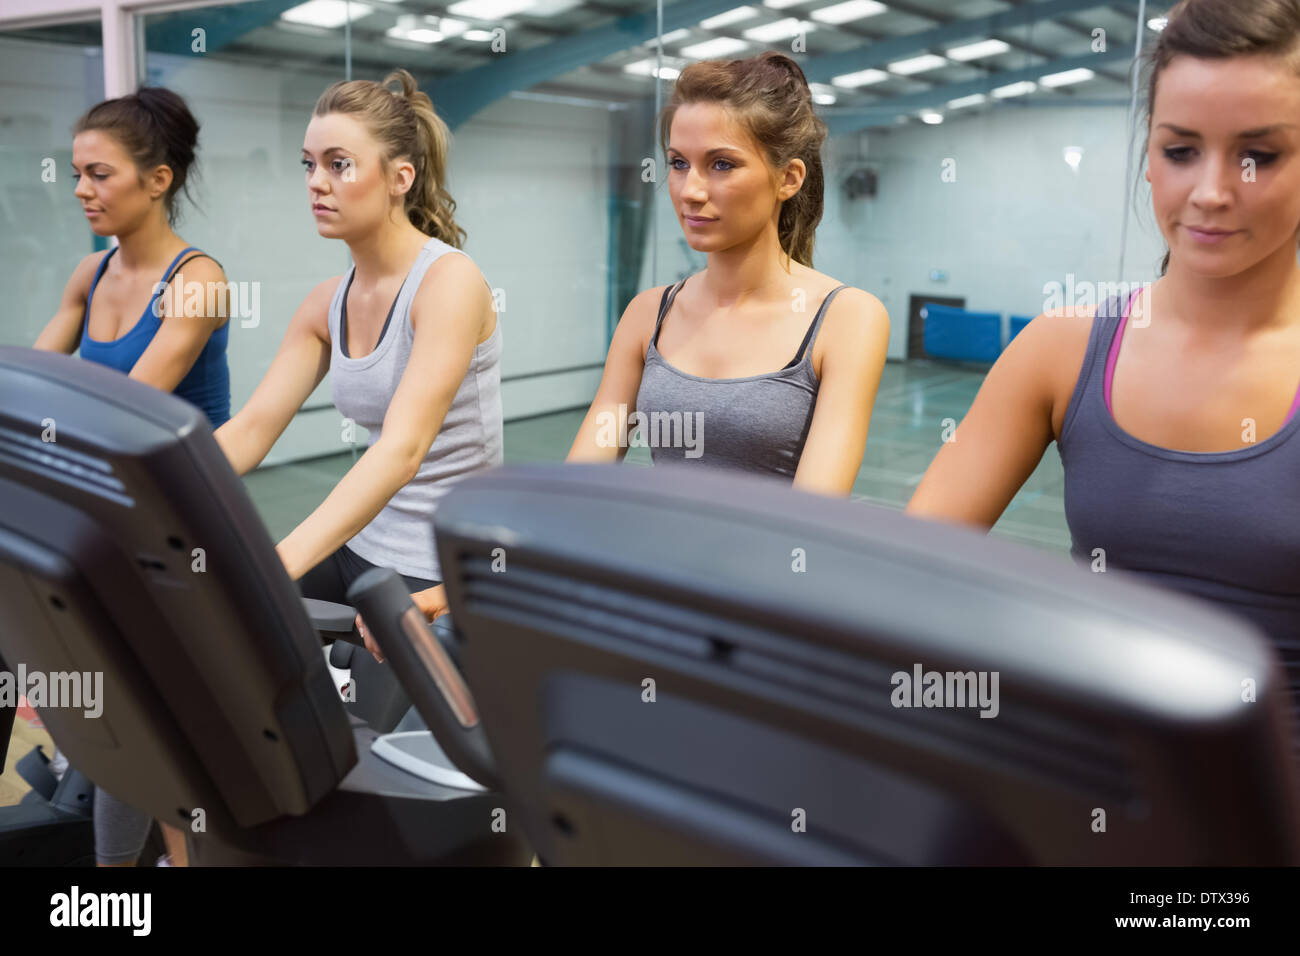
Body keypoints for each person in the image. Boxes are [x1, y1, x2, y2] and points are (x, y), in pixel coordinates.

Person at [907, 0, 1300, 763]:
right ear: (1148, 156)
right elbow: (905, 568)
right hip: (1095, 796)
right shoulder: (1061, 350)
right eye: (1182, 150)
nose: (1212, 191)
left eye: (1261, 155)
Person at [214, 70, 501, 699]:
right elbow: (252, 429)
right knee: (225, 644)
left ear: (400, 179)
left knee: (372, 756)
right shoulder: (326, 303)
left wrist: (279, 561)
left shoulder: (449, 284)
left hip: (435, 568)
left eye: (340, 164)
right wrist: (148, 491)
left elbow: (401, 452)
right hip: (361, 546)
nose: (317, 182)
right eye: (309, 164)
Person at [33, 86, 230, 867]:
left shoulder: (199, 281)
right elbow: (31, 383)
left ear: (158, 179)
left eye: (99, 173)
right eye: (77, 173)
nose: (81, 189)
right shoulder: (90, 276)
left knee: (150, 724)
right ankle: (123, 869)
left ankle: (144, 869)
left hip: (184, 528)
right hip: (106, 514)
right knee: (117, 717)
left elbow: (120, 415)